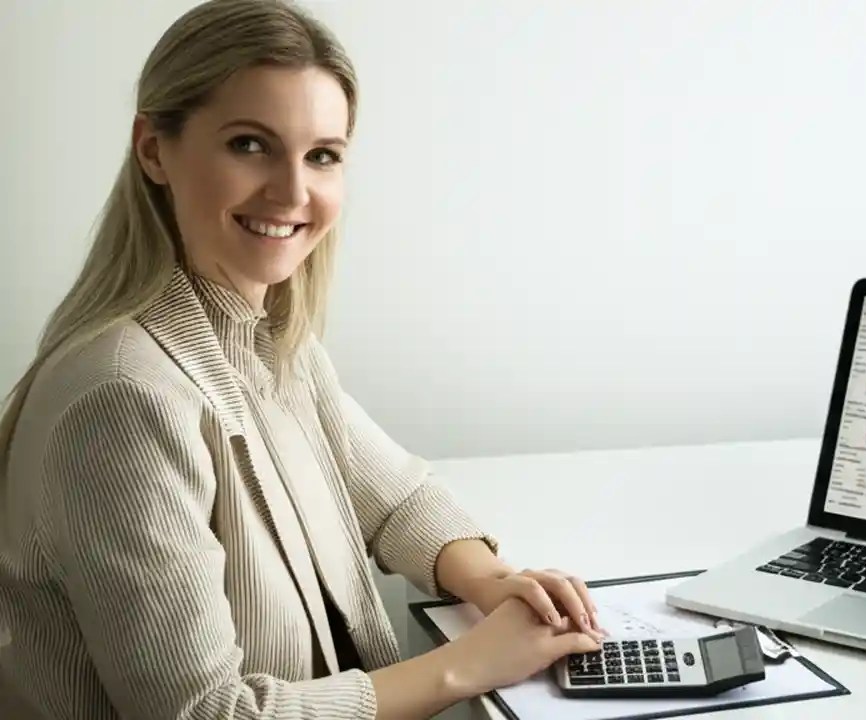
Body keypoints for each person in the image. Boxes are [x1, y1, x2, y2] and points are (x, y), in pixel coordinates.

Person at [0, 1, 604, 718]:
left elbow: (396, 498)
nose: (293, 192)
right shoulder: (124, 397)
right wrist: (465, 667)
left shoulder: (274, 344)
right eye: (249, 145)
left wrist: (493, 581)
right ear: (154, 150)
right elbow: (205, 712)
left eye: (322, 155)